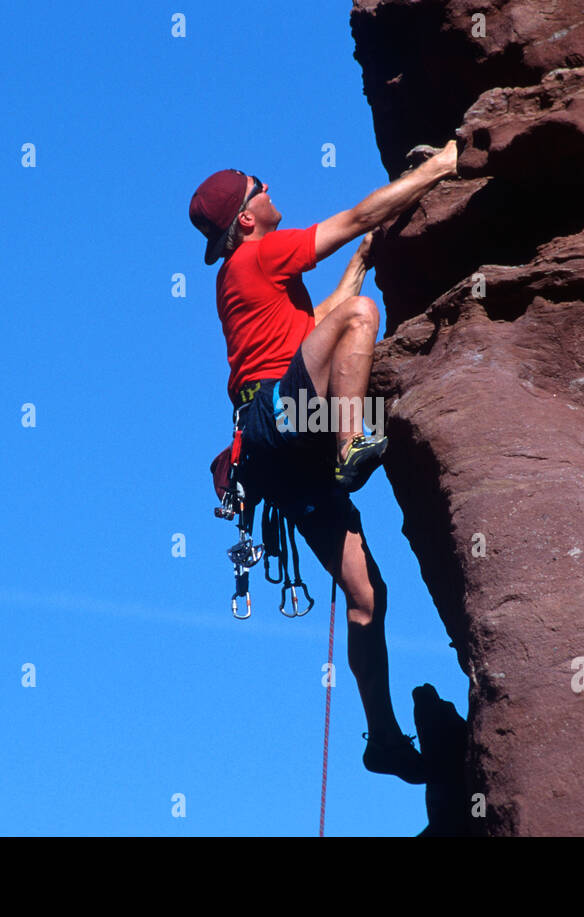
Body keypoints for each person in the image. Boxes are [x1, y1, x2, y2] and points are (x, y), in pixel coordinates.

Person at [188, 142, 459, 784]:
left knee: (368, 597)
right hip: (281, 425)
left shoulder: (248, 276)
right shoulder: (260, 254)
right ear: (247, 218)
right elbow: (356, 221)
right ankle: (349, 444)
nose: (268, 187)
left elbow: (325, 317)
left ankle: (384, 739)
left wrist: (368, 253)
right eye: (259, 186)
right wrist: (437, 170)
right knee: (365, 315)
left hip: (277, 454)